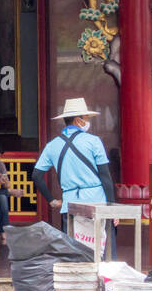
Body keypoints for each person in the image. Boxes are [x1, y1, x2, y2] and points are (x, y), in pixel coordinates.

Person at [33, 97, 116, 258]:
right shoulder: (94, 141)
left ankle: (76, 282)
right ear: (78, 120)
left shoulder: (52, 145)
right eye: (86, 118)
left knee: (73, 253)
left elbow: (36, 175)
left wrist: (51, 200)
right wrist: (112, 208)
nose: (87, 122)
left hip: (70, 204)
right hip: (96, 202)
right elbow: (105, 176)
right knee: (102, 252)